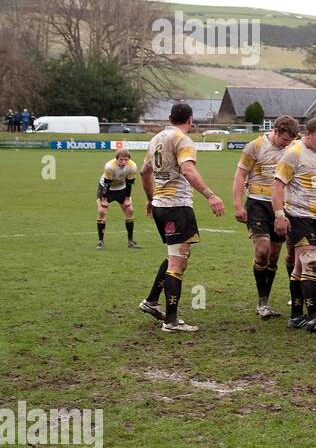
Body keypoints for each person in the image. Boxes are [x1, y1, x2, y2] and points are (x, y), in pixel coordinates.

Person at [138, 102, 225, 332]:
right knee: (178, 264)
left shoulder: (156, 139)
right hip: (176, 207)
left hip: (160, 206)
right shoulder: (182, 140)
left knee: (175, 257)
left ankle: (151, 301)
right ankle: (171, 321)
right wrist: (210, 195)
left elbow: (144, 172)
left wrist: (150, 198)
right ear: (190, 120)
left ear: (170, 117)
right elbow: (187, 170)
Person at [272, 117, 316, 333]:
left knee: (299, 268)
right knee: (311, 263)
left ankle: (296, 316)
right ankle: (315, 316)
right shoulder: (294, 154)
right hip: (298, 216)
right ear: (308, 135)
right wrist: (279, 215)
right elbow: (277, 187)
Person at [232, 115, 300, 319]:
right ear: (276, 131)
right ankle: (262, 301)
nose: (286, 144)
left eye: (290, 141)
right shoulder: (255, 146)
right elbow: (240, 176)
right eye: (284, 139)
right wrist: (237, 205)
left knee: (274, 255)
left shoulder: (294, 149)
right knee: (262, 250)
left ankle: (265, 302)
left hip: (283, 205)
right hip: (257, 203)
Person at [96, 149, 140, 249]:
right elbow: (107, 183)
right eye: (121, 160)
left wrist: (127, 198)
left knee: (129, 210)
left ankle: (130, 241)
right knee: (102, 211)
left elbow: (129, 183)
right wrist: (104, 199)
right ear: (116, 159)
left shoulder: (132, 166)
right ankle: (101, 241)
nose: (123, 162)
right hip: (106, 188)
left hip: (121, 188)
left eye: (126, 160)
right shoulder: (109, 166)